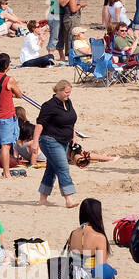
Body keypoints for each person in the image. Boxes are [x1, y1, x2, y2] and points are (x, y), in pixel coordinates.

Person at [31, 80, 79, 208]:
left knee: (51, 169)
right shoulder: (49, 105)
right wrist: (35, 142)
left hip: (64, 141)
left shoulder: (68, 103)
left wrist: (73, 135)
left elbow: (71, 120)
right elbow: (40, 124)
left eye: (70, 92)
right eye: (66, 92)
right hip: (49, 140)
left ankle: (43, 198)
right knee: (63, 167)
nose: (68, 95)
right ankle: (69, 198)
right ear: (58, 90)